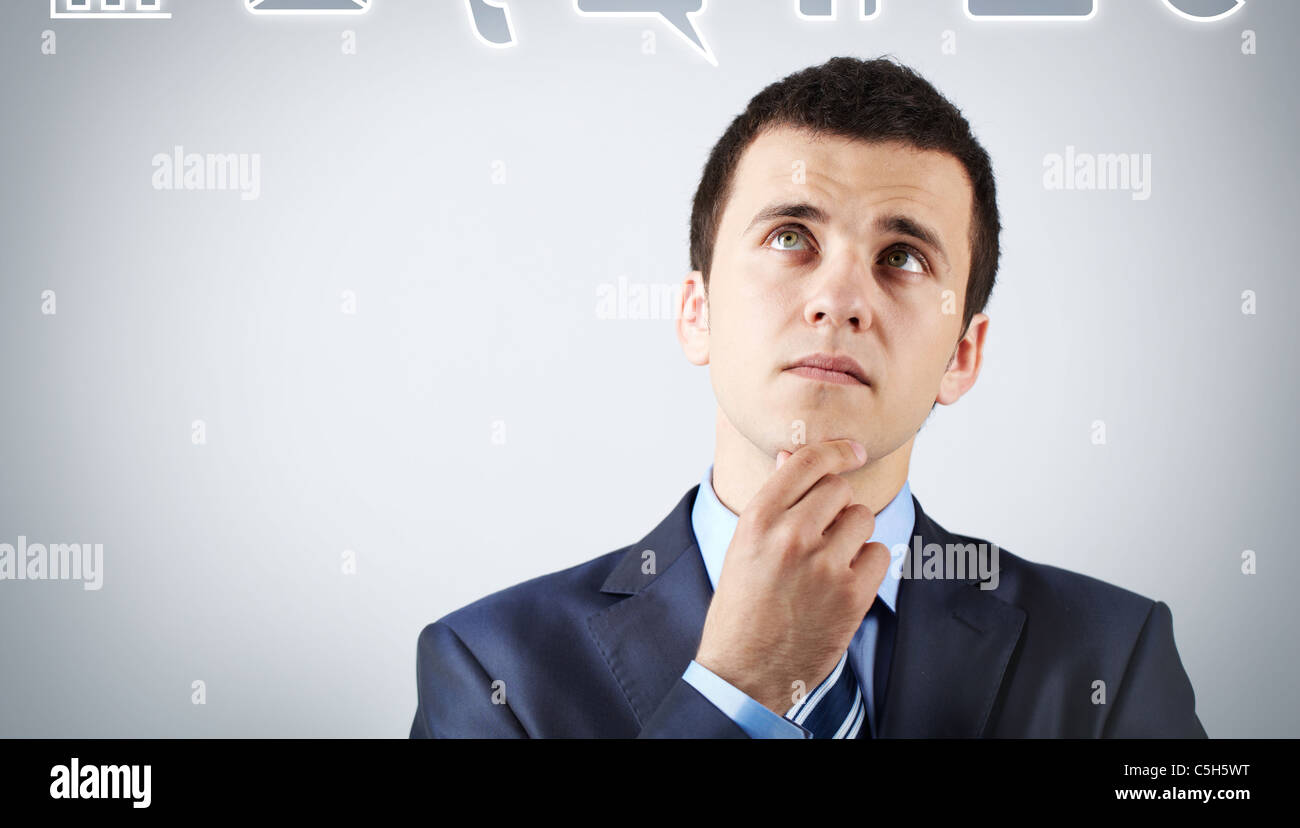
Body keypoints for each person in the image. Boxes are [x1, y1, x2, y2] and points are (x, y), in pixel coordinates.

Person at [409, 56, 1207, 738]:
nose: (839, 298)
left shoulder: (1114, 654)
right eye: (791, 237)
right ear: (698, 314)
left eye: (902, 256)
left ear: (961, 355)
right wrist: (737, 687)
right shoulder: (490, 668)